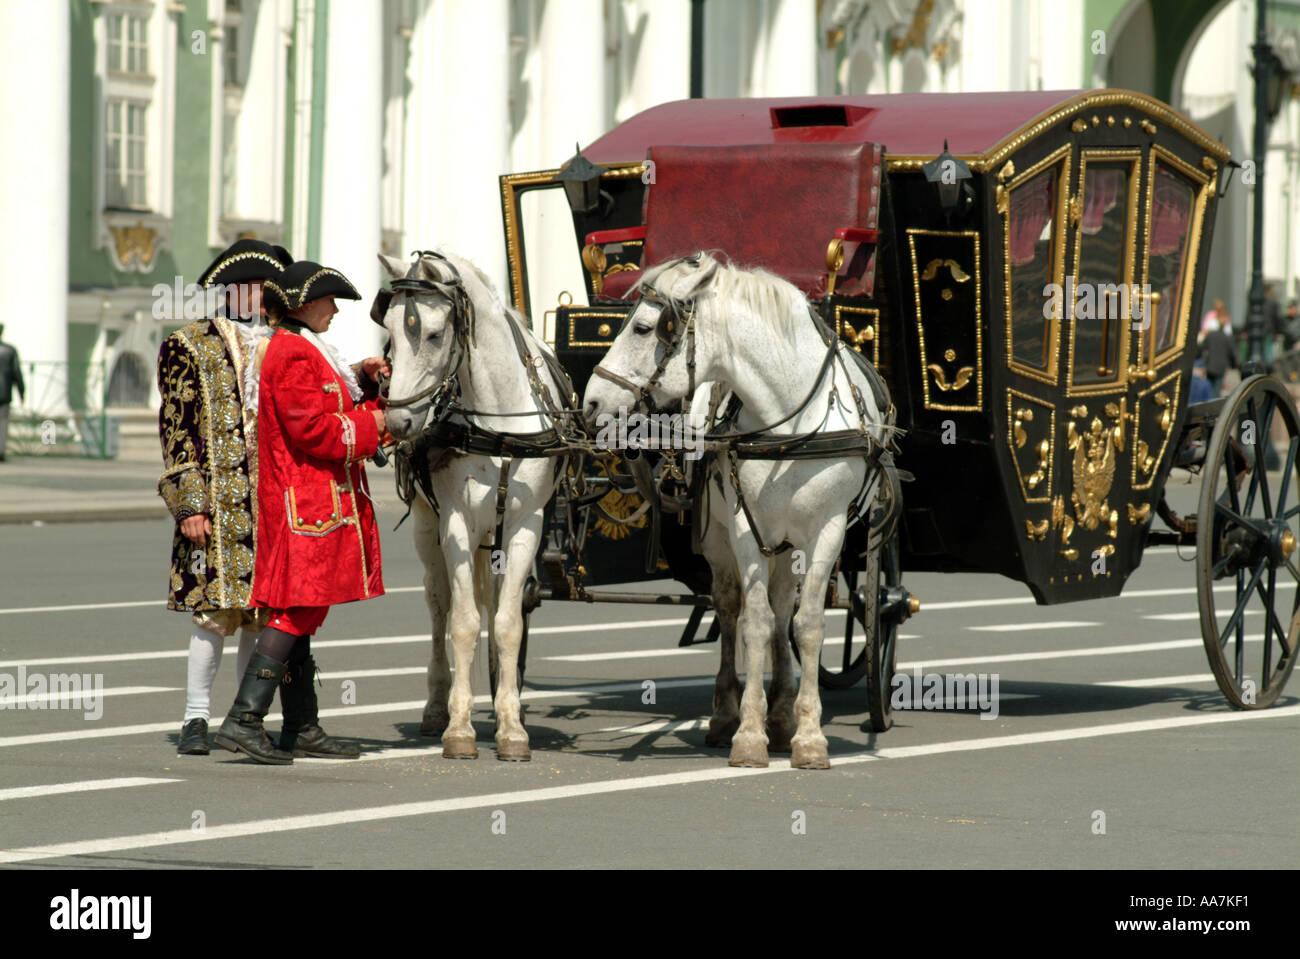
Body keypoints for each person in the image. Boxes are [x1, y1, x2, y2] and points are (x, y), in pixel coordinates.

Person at [213, 260, 388, 764]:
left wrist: (363, 380)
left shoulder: (303, 346)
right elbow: (316, 430)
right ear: (305, 305)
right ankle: (244, 720)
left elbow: (327, 401)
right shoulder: (292, 352)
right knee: (297, 609)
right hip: (305, 502)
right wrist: (383, 423)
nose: (335, 309)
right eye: (329, 301)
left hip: (311, 500)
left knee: (306, 611)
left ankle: (300, 725)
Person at [157, 238, 293, 755]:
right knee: (212, 614)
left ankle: (245, 717)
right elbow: (177, 427)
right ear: (229, 291)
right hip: (217, 506)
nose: (258, 298)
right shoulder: (188, 343)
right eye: (250, 288)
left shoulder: (285, 344)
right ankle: (195, 718)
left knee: (260, 619)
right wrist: (191, 503)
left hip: (275, 505)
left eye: (266, 289)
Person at [0, 323, 25, 461]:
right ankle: (1, 450)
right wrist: (22, 392)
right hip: (4, 393)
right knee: (3, 423)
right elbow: (17, 373)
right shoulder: (9, 350)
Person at [1198, 317, 1237, 397]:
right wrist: (1234, 364)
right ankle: (1212, 404)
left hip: (1210, 365)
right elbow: (1232, 353)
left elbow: (1202, 347)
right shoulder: (1227, 337)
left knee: (1209, 385)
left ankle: (1208, 402)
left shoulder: (1211, 335)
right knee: (1217, 389)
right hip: (1221, 367)